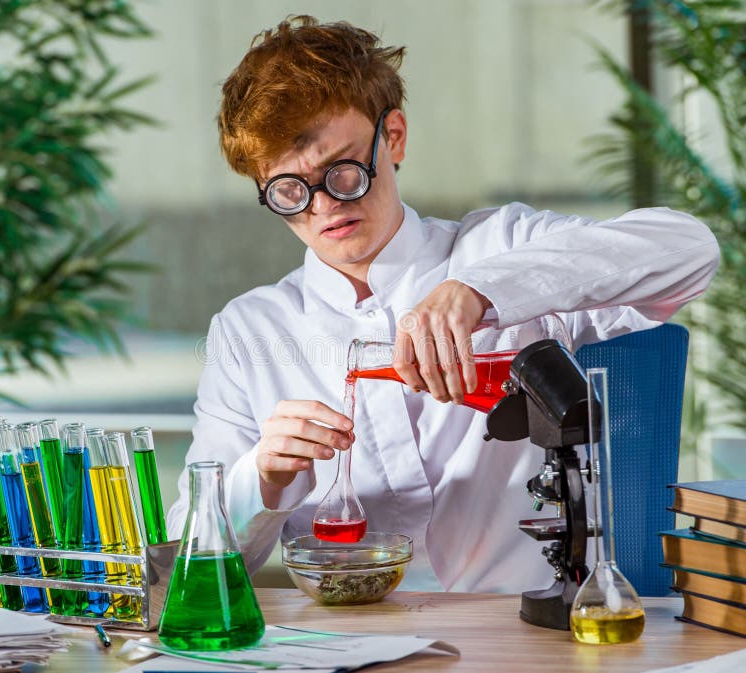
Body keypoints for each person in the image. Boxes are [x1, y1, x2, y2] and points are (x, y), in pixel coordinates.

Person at [165, 15, 719, 592]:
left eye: (344, 171)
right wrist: (264, 477)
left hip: (517, 634)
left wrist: (483, 290)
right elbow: (189, 562)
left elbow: (688, 249)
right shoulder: (248, 330)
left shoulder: (498, 248)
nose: (324, 206)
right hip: (349, 639)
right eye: (288, 191)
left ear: (394, 136)